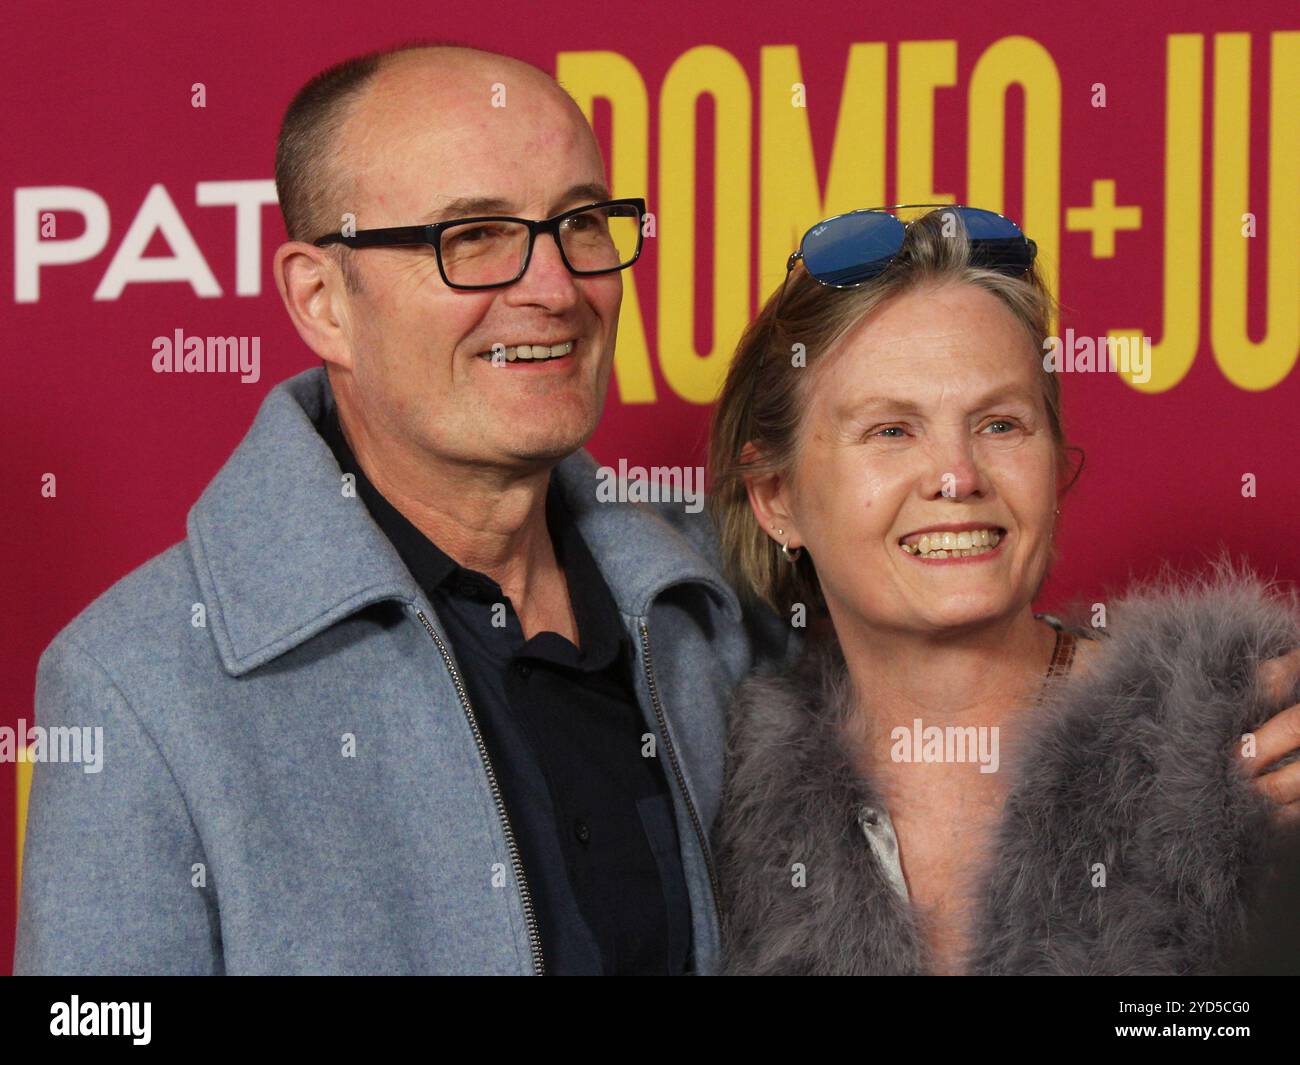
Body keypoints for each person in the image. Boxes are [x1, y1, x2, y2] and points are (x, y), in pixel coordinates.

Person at [14, 42, 784, 976]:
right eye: (472, 238)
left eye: (582, 222)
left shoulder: (708, 610)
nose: (554, 288)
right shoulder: (135, 685)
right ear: (322, 298)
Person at [708, 205, 1300, 975]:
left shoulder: (1249, 735)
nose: (957, 476)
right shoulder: (714, 789)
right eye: (892, 430)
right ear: (776, 495)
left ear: (1057, 468)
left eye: (999, 424)